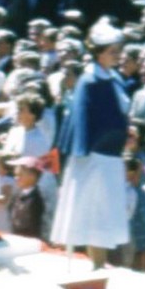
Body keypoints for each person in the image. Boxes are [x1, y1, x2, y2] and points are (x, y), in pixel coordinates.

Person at [51, 22, 134, 266]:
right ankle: (96, 263)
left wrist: (125, 132)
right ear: (99, 53)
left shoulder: (114, 78)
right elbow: (83, 121)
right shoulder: (89, 81)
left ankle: (100, 263)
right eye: (112, 52)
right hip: (93, 157)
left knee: (105, 211)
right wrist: (85, 153)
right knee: (93, 211)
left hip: (111, 155)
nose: (117, 56)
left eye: (118, 51)